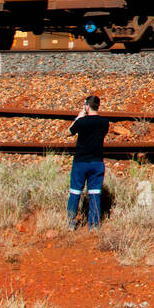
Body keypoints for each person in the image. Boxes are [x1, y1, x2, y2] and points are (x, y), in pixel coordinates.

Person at [67, 95, 108, 228]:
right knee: (95, 193)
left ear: (86, 106)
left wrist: (79, 117)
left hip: (81, 161)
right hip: (96, 162)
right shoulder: (104, 122)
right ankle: (94, 224)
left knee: (75, 192)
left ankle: (70, 222)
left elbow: (68, 132)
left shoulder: (81, 122)